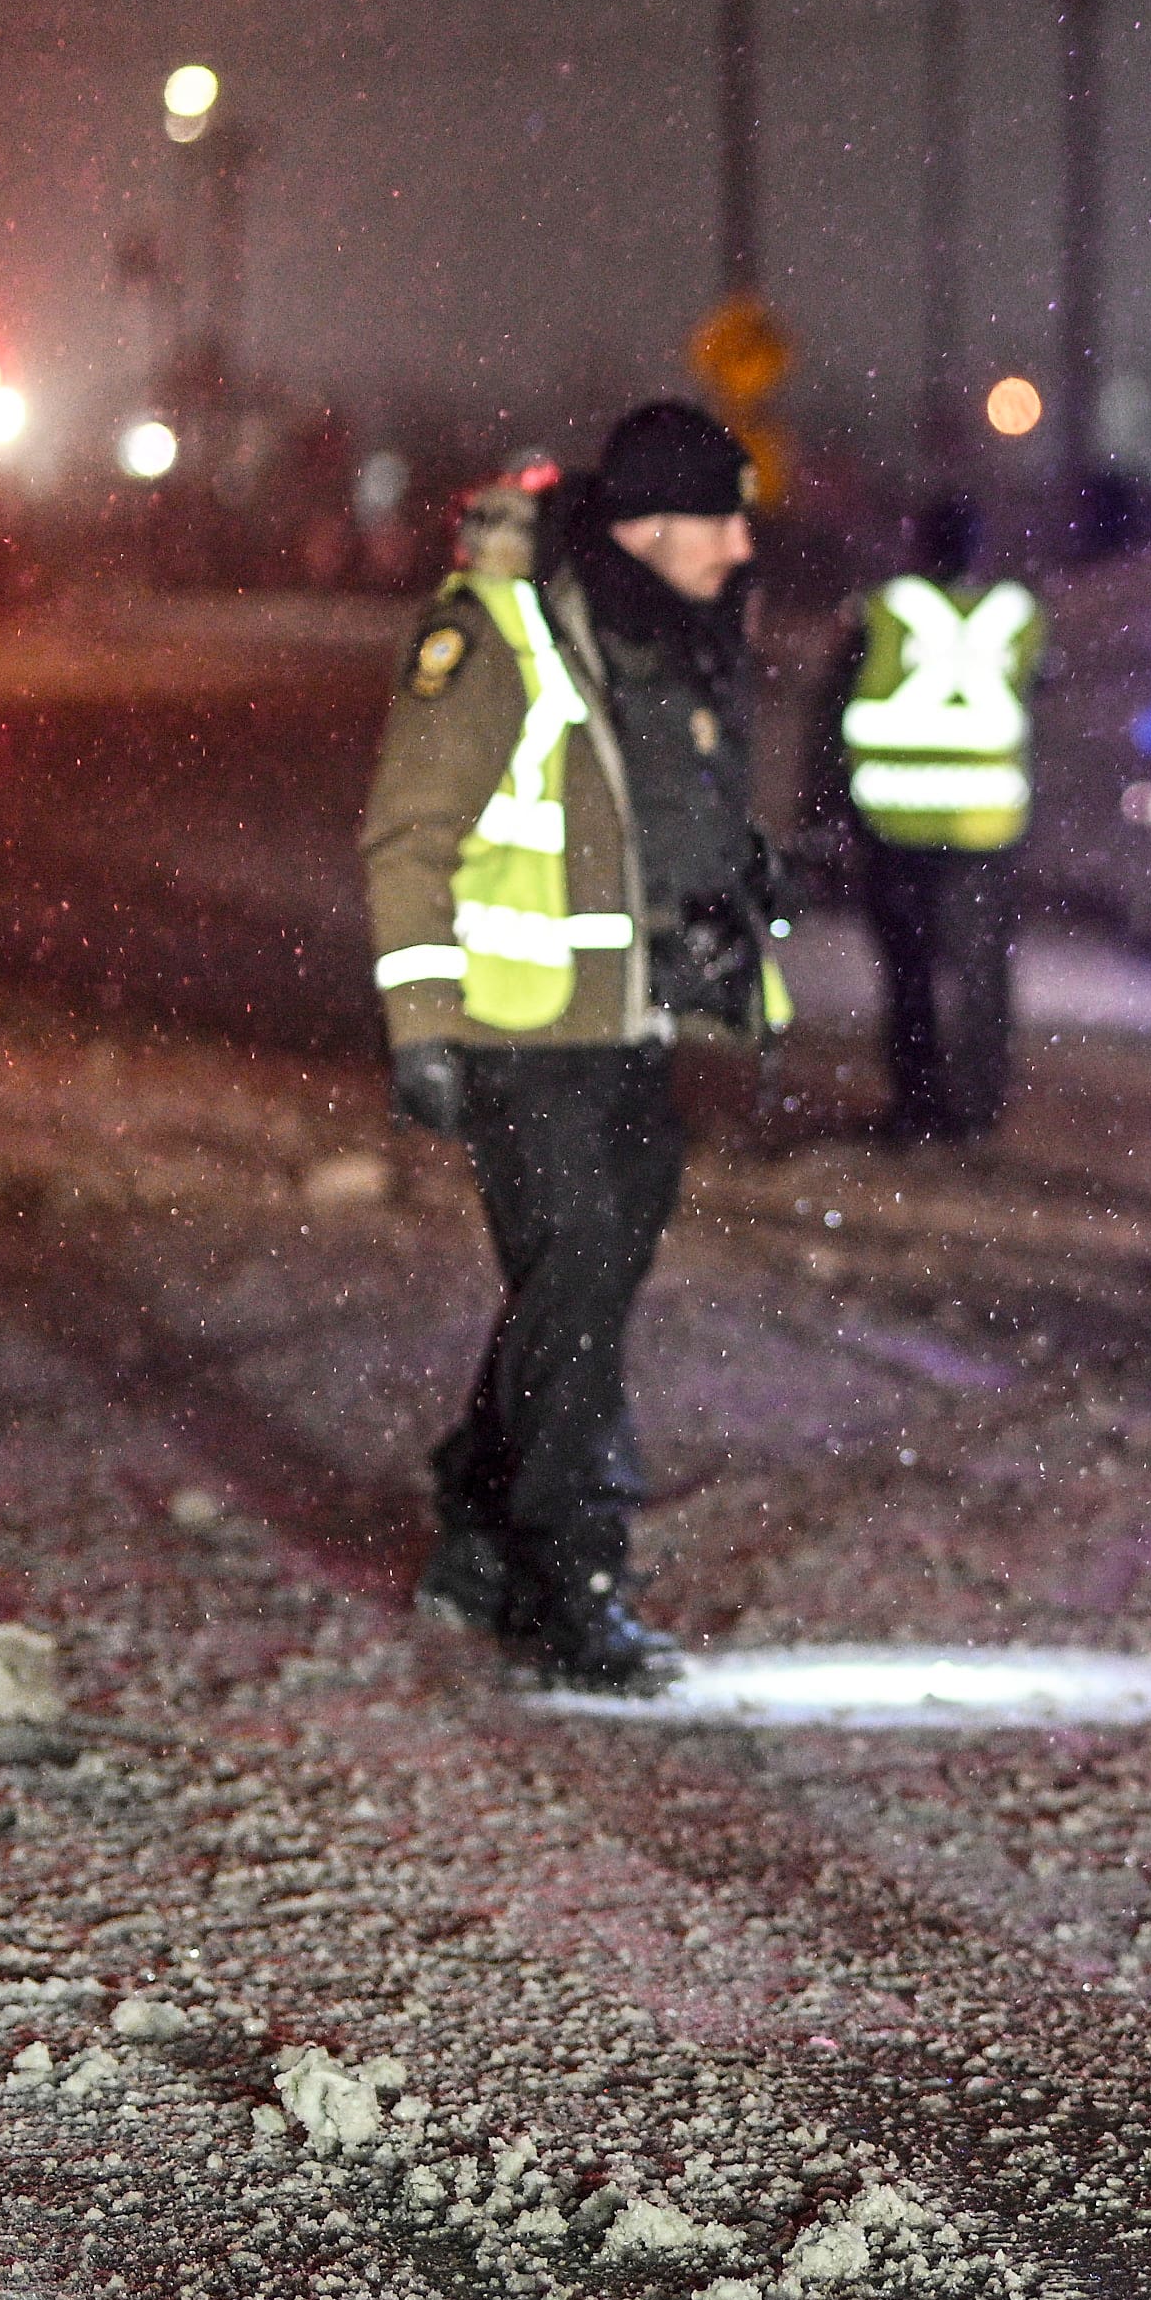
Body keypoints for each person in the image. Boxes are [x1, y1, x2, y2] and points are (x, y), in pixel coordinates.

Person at [362, 402, 791, 1693]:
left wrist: (733, 919)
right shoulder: (496, 638)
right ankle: (570, 1577)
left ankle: (479, 1521)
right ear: (651, 527)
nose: (738, 542)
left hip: (625, 1028)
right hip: (519, 1033)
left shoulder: (659, 644)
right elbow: (407, 835)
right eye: (718, 516)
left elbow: (664, 829)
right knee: (580, 1279)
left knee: (578, 1295)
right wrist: (425, 1027)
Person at [815, 491, 1042, 1142]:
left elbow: (835, 714)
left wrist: (828, 814)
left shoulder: (882, 611)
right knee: (980, 978)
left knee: (910, 974)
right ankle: (975, 1106)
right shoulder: (1017, 613)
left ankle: (915, 1103)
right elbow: (1035, 700)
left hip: (895, 827)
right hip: (984, 828)